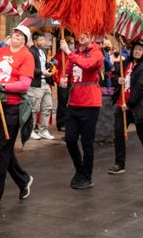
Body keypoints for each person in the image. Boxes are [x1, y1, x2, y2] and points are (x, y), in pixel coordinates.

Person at [0, 24, 35, 208]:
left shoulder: (27, 56)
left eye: (21, 35)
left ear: (25, 40)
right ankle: (23, 180)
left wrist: (4, 87)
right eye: (15, 32)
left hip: (13, 107)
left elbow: (24, 84)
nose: (17, 36)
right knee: (0, 148)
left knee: (3, 150)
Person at [59, 32, 103, 189]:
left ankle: (87, 176)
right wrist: (63, 79)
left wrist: (68, 52)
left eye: (86, 33)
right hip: (74, 102)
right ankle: (80, 169)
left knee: (87, 144)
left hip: (90, 103)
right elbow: (68, 72)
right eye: (80, 33)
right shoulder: (75, 53)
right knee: (70, 140)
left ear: (92, 36)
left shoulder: (96, 52)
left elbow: (87, 65)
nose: (82, 35)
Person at [109, 41, 143, 173]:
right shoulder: (126, 63)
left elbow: (140, 88)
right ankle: (119, 164)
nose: (137, 51)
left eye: (140, 50)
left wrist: (129, 104)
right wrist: (118, 79)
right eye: (135, 49)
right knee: (118, 134)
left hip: (136, 106)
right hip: (121, 104)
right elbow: (114, 75)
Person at [26, 31, 54, 140]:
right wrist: (42, 72)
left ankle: (43, 130)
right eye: (41, 40)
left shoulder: (42, 50)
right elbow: (30, 68)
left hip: (45, 82)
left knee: (47, 107)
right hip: (35, 84)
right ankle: (31, 130)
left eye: (44, 39)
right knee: (34, 109)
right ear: (35, 40)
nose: (43, 41)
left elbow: (43, 65)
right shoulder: (31, 52)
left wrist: (50, 64)